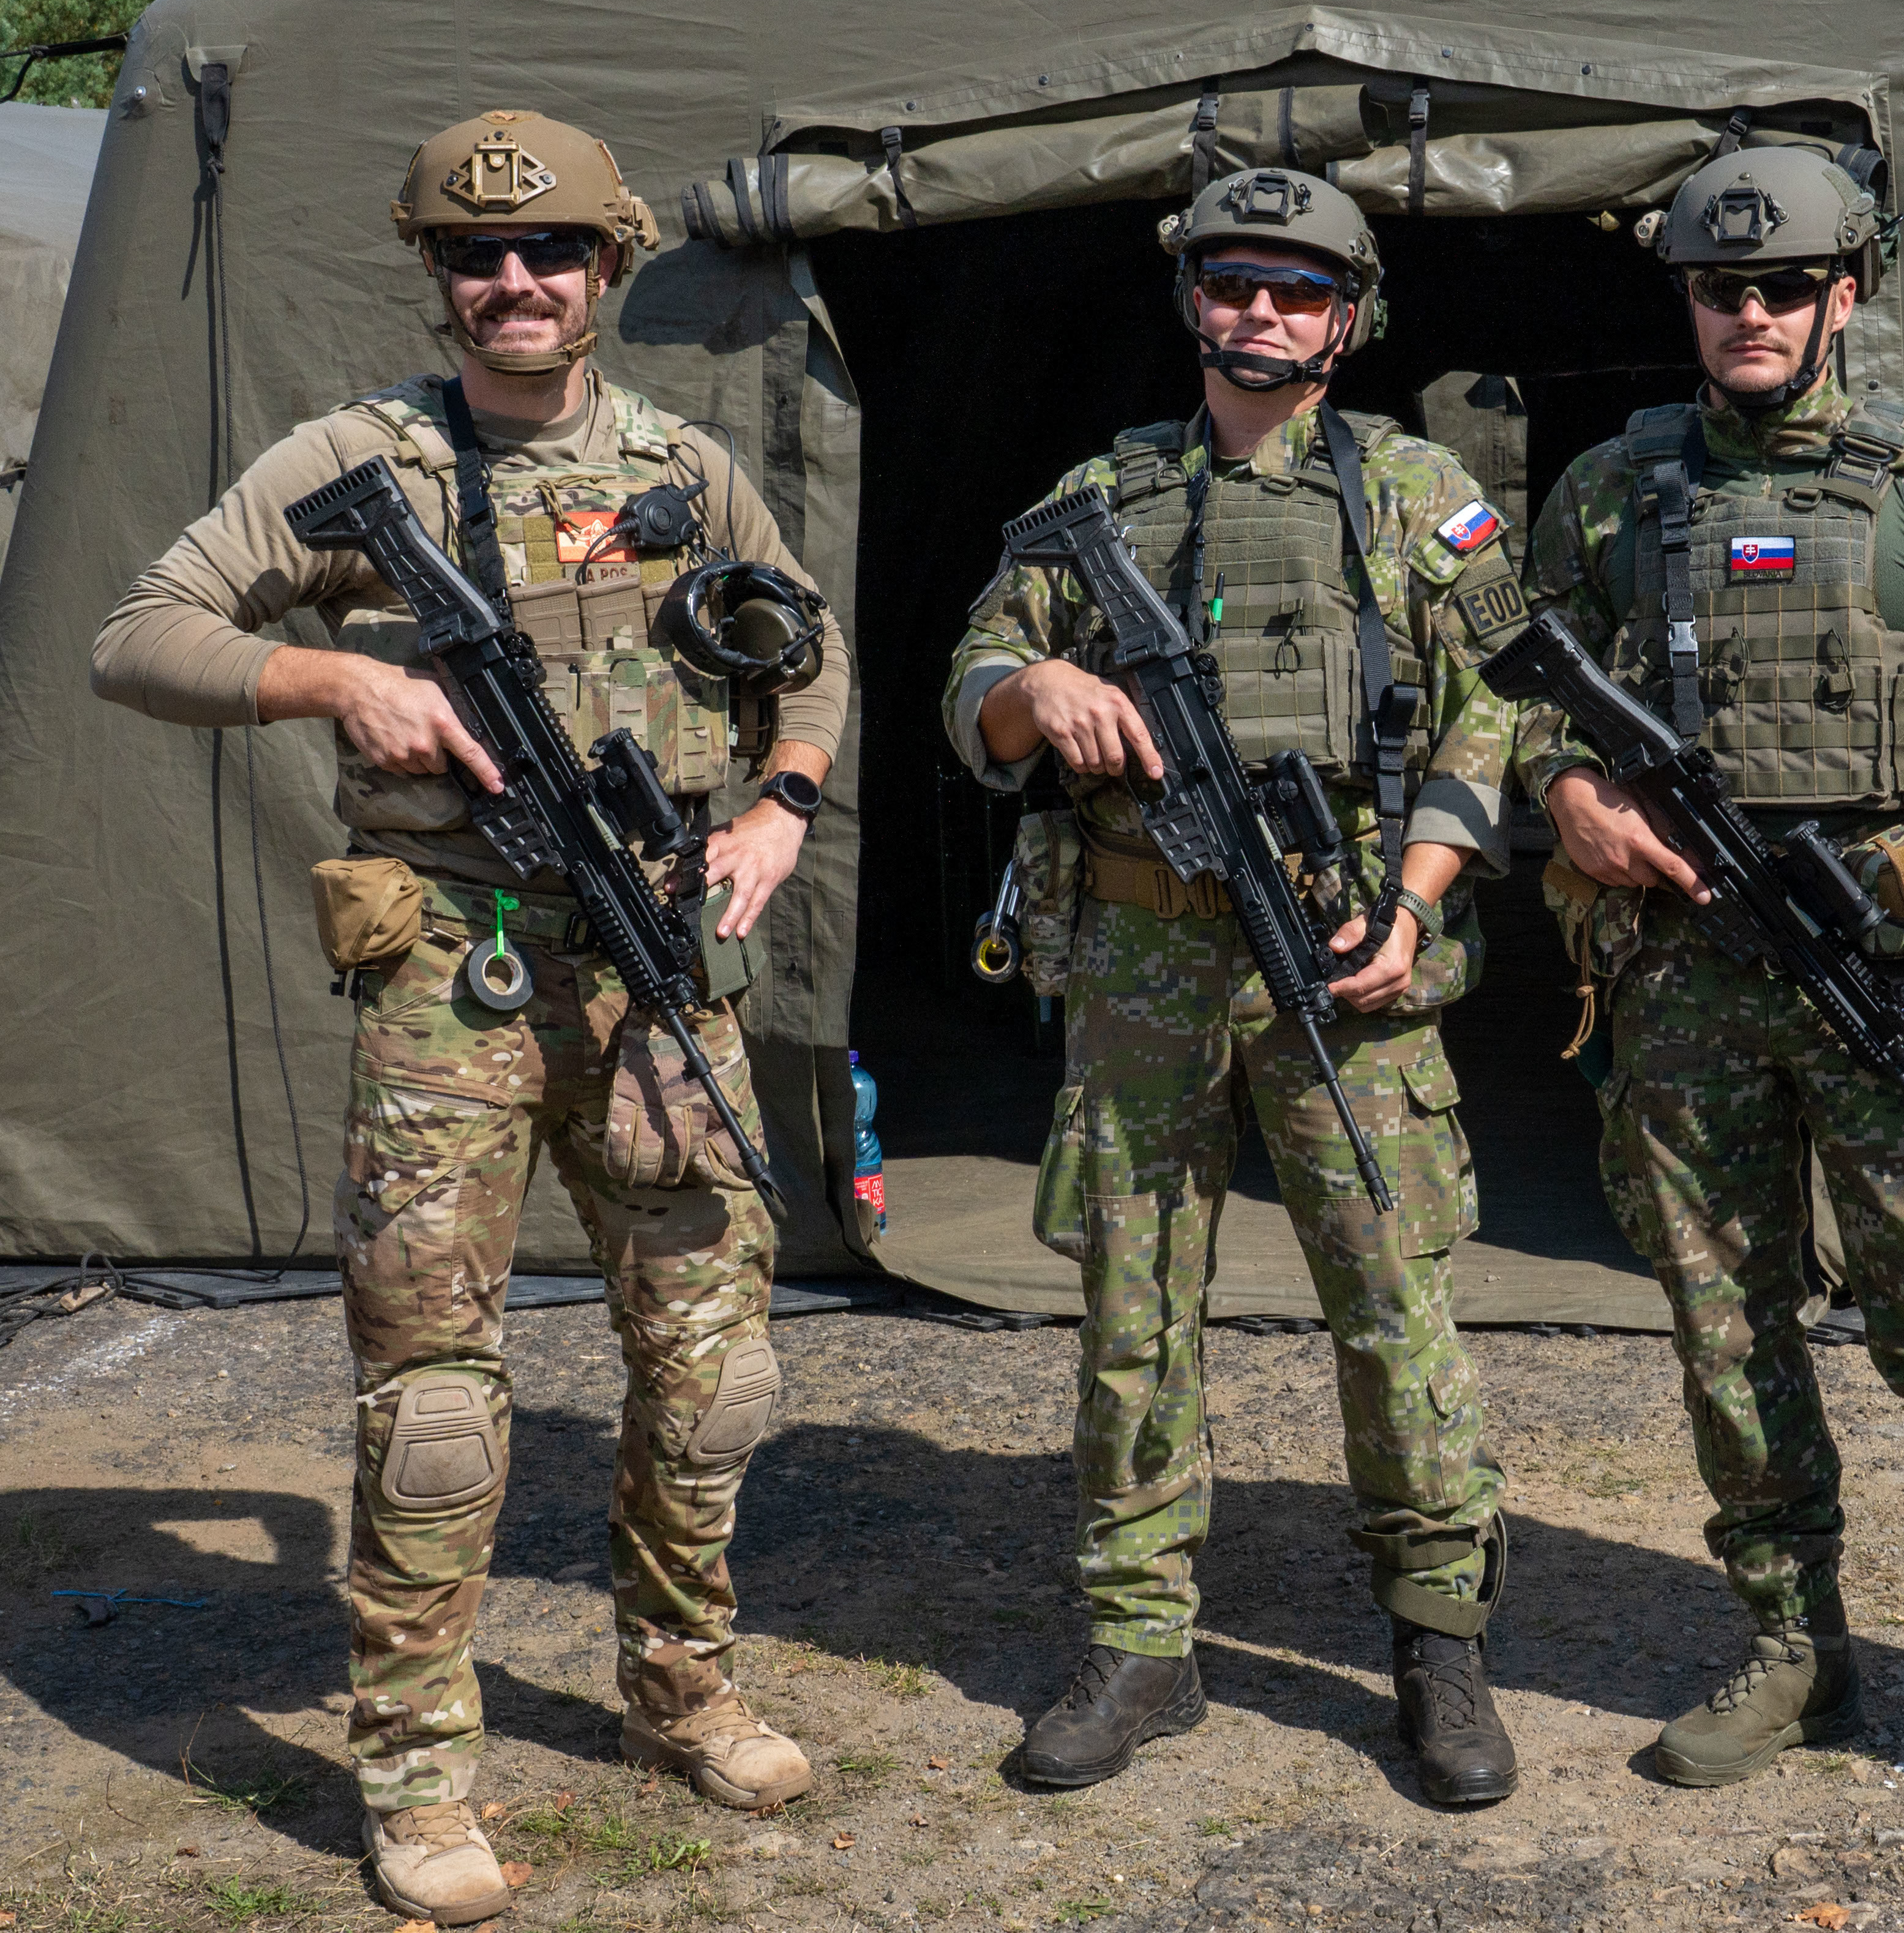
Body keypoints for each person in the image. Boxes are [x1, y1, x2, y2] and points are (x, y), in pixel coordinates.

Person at [93, 110, 844, 1926]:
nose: (514, 281)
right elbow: (138, 635)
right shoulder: (356, 464)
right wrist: (328, 676)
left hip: (659, 974)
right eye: (473, 254)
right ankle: (420, 1769)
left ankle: (682, 1686)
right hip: (457, 975)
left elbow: (805, 659)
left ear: (611, 266)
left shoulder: (689, 468)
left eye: (551, 252)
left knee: (714, 1369)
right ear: (433, 271)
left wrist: (780, 803)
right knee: (433, 1396)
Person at [1517, 144, 1904, 1839]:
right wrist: (1565, 788)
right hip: (1681, 978)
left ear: (1845, 294)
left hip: (1888, 978)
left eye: (1786, 287)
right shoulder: (1612, 496)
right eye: (1723, 289)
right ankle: (1793, 1644)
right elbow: (1507, 685)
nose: (1755, 315)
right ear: (1690, 303)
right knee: (1727, 1330)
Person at [945, 168, 1531, 1806]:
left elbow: (1501, 710)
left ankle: (1439, 1638)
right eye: (1232, 284)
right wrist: (1035, 688)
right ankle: (1141, 1638)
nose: (1262, 314)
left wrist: (1417, 899)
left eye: (1299, 290)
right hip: (1141, 955)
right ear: (1191, 301)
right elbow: (970, 686)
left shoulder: (1417, 494)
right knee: (1133, 1300)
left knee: (1393, 1295)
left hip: (1345, 949)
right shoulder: (1103, 494)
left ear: (1351, 318)